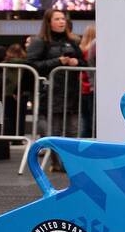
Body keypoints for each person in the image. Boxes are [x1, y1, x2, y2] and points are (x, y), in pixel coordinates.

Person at [27, 9, 87, 142]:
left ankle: (69, 163)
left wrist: (76, 62)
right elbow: (31, 65)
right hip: (50, 93)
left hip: (72, 93)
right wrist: (57, 62)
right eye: (57, 19)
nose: (61, 22)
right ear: (49, 23)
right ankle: (55, 163)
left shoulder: (72, 41)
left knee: (74, 132)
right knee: (54, 133)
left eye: (63, 19)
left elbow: (85, 63)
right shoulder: (40, 41)